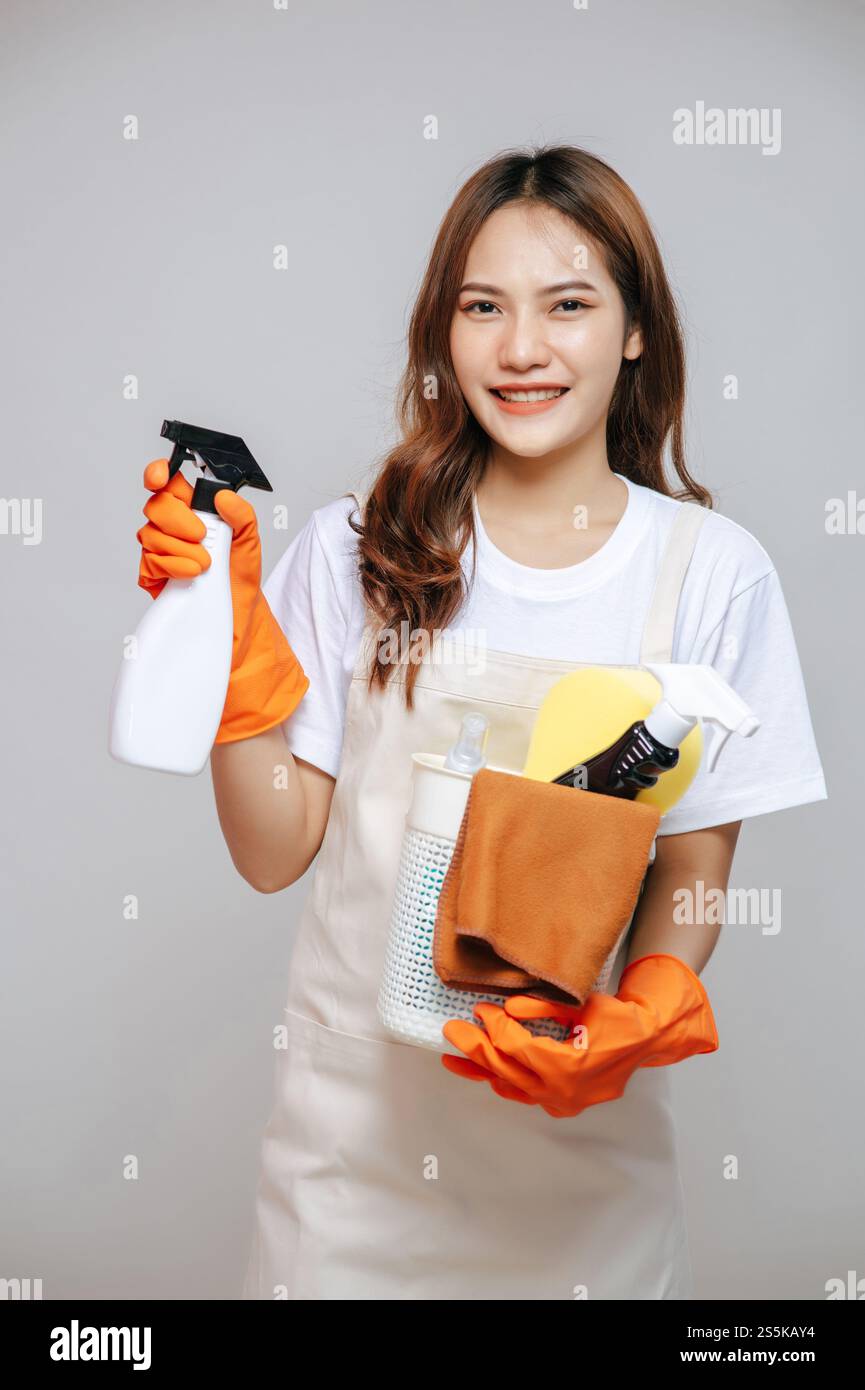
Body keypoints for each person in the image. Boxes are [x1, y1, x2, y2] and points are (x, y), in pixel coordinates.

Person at [135, 145, 827, 1300]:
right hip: (349, 1170)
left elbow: (694, 867)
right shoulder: (356, 550)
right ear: (441, 331)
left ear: (634, 327)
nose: (520, 350)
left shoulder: (711, 573)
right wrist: (231, 641)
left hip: (583, 1183)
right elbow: (270, 852)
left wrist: (646, 1006)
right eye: (481, 307)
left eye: (568, 304)